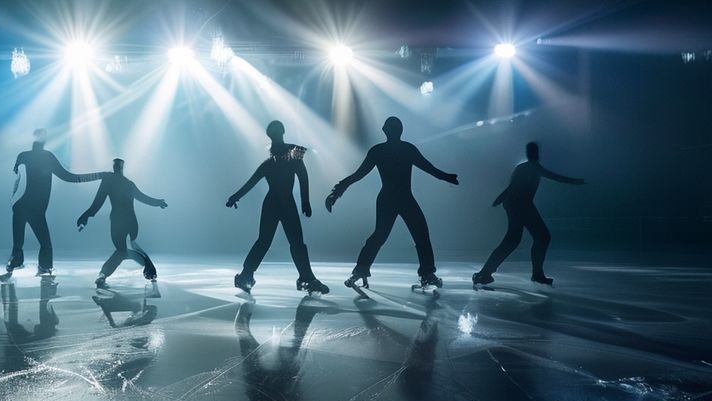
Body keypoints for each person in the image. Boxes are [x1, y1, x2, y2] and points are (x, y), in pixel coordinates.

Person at [325, 116, 458, 295]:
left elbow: (358, 175)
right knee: (419, 236)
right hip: (402, 198)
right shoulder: (406, 149)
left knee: (381, 236)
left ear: (385, 130)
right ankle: (426, 274)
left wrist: (337, 192)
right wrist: (446, 176)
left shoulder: (379, 151)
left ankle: (360, 271)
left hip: (388, 198)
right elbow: (429, 168)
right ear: (399, 130)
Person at [227, 120, 329, 295]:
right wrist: (305, 201)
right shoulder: (282, 158)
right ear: (281, 131)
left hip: (277, 203)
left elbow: (251, 183)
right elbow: (302, 177)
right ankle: (305, 278)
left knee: (273, 242)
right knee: (283, 242)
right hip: (280, 203)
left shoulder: (282, 158)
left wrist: (234, 197)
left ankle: (247, 275)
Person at [473, 141, 585, 287]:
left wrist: (500, 199)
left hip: (516, 204)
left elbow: (511, 187)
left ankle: (486, 273)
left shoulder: (522, 168)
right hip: (520, 205)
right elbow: (556, 177)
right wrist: (576, 181)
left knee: (519, 239)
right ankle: (532, 274)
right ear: (536, 153)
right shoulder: (533, 167)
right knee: (538, 237)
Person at [5, 128, 105, 276]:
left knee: (18, 245)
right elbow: (70, 177)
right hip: (36, 209)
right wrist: (99, 175)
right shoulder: (48, 157)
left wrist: (13, 202)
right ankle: (44, 269)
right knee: (46, 245)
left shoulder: (23, 156)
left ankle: (12, 266)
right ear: (45, 140)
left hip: (19, 206)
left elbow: (17, 178)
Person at [77, 158, 167, 288]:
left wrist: (87, 215)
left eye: (117, 166)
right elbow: (98, 202)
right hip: (125, 221)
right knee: (125, 250)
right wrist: (87, 215)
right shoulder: (124, 183)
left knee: (122, 251)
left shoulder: (115, 182)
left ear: (118, 168)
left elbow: (98, 202)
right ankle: (150, 270)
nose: (116, 168)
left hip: (122, 221)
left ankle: (103, 275)